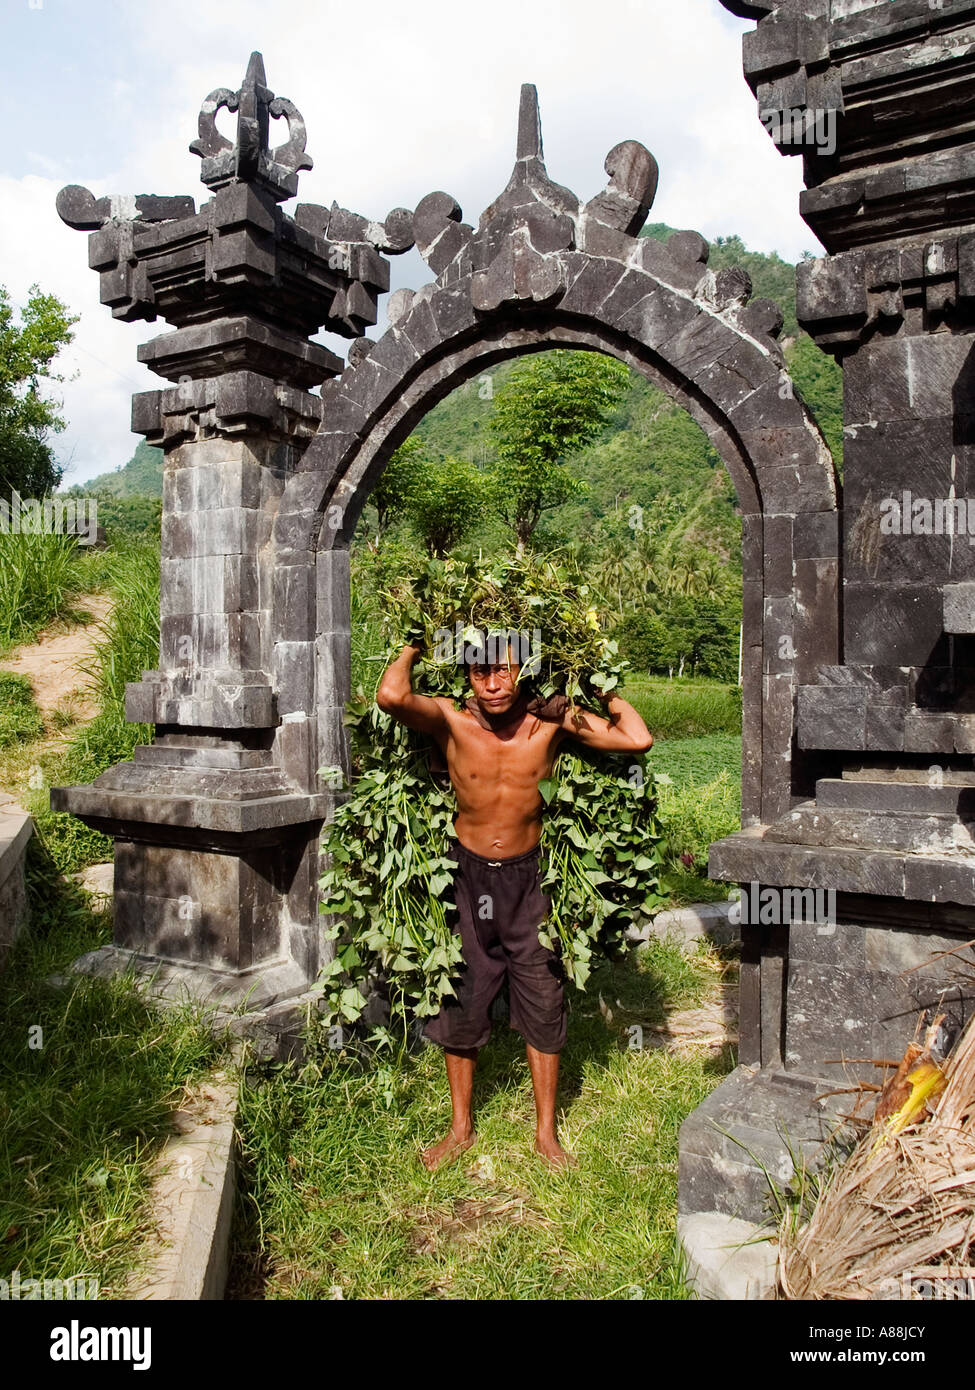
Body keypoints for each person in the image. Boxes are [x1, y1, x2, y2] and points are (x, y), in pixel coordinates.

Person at [376, 634, 653, 1171]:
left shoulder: (550, 720)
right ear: (465, 676)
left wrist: (595, 678)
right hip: (466, 875)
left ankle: (546, 1134)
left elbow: (636, 739)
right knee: (463, 995)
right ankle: (461, 1128)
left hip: (530, 880)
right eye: (480, 673)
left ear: (523, 670)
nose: (493, 684)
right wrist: (413, 643)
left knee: (543, 997)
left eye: (502, 671)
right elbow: (390, 697)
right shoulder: (452, 720)